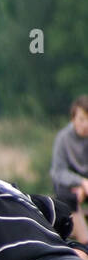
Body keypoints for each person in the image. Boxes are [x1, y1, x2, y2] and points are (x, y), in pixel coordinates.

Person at [48, 95, 88, 244]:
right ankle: (84, 239)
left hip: (85, 186)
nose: (85, 125)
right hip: (69, 186)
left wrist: (84, 188)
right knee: (66, 194)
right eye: (82, 119)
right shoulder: (63, 138)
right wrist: (80, 183)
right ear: (73, 119)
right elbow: (58, 171)